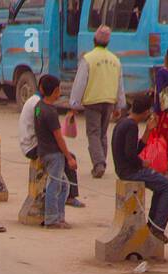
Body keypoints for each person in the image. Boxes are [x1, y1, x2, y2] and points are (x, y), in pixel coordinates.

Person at [112, 91, 168, 244]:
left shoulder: (123, 122)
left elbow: (134, 150)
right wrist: (142, 163)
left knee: (161, 186)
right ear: (147, 112)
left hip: (124, 169)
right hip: (130, 172)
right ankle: (157, 228)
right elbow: (130, 155)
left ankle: (153, 225)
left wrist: (148, 131)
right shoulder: (131, 126)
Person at [68, 27, 126, 179]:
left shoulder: (88, 59)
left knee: (93, 133)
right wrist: (119, 104)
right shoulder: (115, 60)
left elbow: (80, 82)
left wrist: (74, 104)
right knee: (102, 133)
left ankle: (99, 164)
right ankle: (101, 162)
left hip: (92, 101)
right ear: (108, 42)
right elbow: (120, 84)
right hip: (109, 100)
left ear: (94, 41)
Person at [19, 86, 82, 208]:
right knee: (66, 157)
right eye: (56, 91)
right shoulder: (40, 105)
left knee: (63, 155)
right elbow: (52, 133)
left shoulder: (35, 102)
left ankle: (69, 195)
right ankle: (70, 197)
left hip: (30, 143)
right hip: (33, 146)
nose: (58, 95)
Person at [33, 74, 78, 229]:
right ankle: (52, 219)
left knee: (64, 185)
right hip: (54, 154)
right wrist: (69, 158)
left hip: (44, 151)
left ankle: (59, 217)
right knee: (55, 185)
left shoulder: (39, 107)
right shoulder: (50, 112)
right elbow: (59, 138)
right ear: (56, 91)